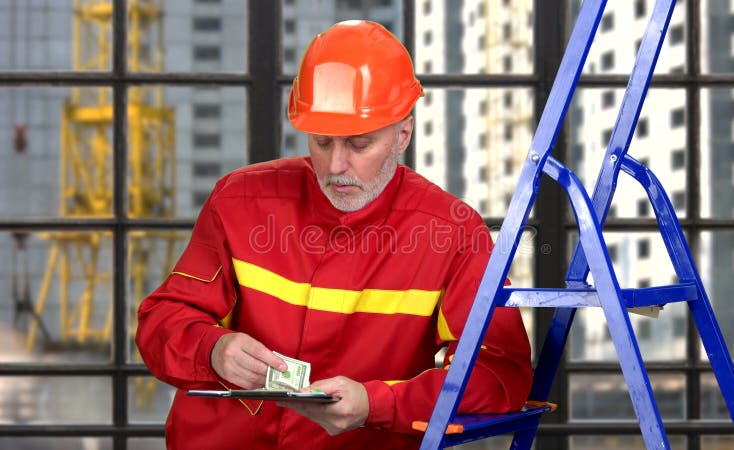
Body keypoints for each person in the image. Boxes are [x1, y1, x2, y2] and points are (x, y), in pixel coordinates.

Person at [135, 20, 533, 449]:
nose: (336, 165)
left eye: (359, 145)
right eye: (322, 142)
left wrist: (377, 404)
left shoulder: (452, 233)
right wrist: (212, 350)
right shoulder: (239, 200)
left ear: (403, 135)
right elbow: (161, 322)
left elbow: (498, 373)